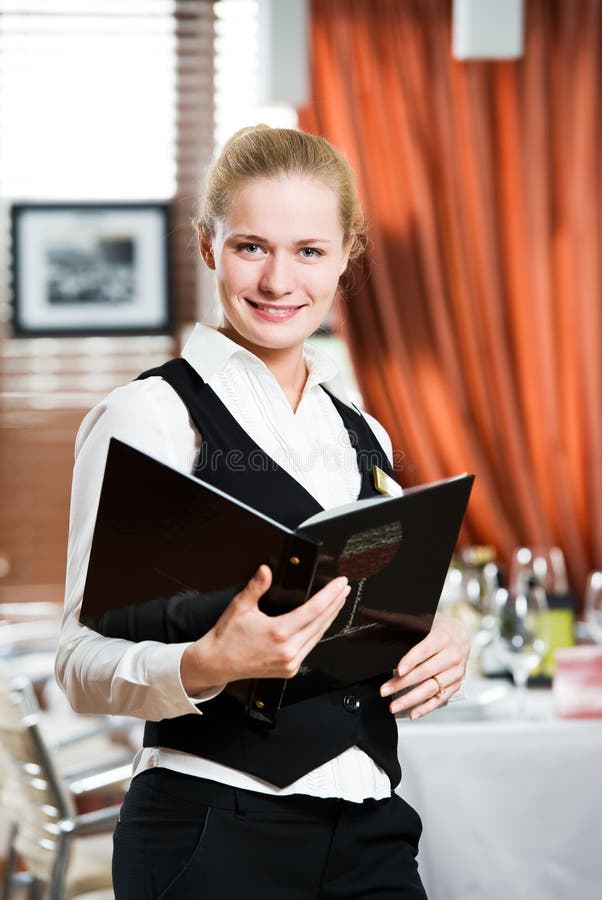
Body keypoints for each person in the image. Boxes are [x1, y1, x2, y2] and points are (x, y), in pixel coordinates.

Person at [56, 125, 470, 899]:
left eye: (309, 251)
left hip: (373, 828)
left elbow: (368, 611)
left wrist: (436, 637)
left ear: (348, 253)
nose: (280, 280)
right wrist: (206, 665)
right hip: (211, 834)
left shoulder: (363, 433)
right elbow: (79, 665)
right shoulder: (147, 416)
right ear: (209, 245)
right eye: (252, 246)